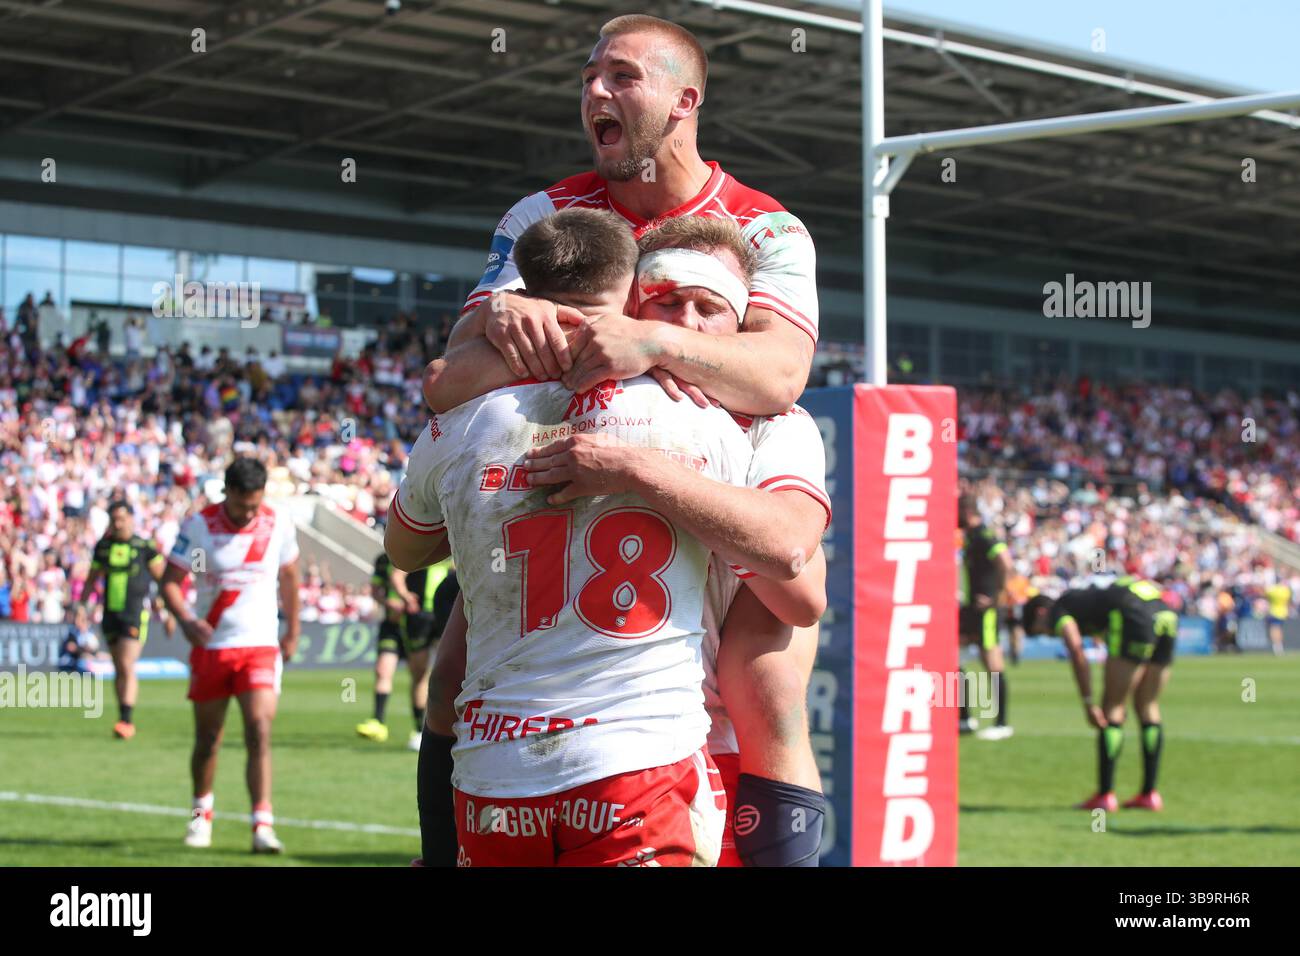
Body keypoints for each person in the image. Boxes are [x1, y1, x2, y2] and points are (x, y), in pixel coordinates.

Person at [389, 209, 821, 867]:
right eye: (668, 301)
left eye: (710, 308)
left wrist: (640, 470)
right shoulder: (577, 391)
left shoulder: (769, 424)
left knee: (774, 683)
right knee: (451, 664)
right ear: (632, 303)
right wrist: (502, 315)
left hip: (709, 747)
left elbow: (802, 589)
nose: (686, 323)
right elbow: (443, 382)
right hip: (614, 749)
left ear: (741, 324)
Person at [435, 13, 818, 419]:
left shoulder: (767, 227)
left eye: (622, 76)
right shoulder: (542, 214)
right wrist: (493, 312)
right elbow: (449, 369)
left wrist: (652, 342)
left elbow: (780, 377)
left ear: (683, 101)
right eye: (588, 79)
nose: (595, 90)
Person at [159, 458, 301, 853]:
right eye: (242, 505)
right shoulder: (199, 526)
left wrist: (292, 629)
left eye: (256, 504)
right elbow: (171, 581)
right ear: (227, 494)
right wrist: (186, 620)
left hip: (259, 645)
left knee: (259, 731)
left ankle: (262, 825)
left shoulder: (278, 524)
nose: (250, 513)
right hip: (213, 647)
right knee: (207, 739)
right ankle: (200, 814)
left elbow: (290, 577)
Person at [1024, 576, 1177, 812]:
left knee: (1112, 709)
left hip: (1132, 612)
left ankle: (1105, 795)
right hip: (1165, 613)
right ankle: (1149, 794)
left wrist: (1088, 702)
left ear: (1041, 612)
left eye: (1042, 631)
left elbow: (1076, 651)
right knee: (1148, 706)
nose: (1050, 635)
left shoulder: (1060, 608)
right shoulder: (1086, 600)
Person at [80, 500, 167, 739]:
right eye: (114, 519)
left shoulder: (144, 546)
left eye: (122, 518)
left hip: (135, 613)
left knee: (127, 664)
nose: (118, 523)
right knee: (119, 667)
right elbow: (91, 579)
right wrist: (81, 605)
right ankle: (123, 715)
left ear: (131, 518)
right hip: (110, 613)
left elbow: (163, 580)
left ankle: (126, 721)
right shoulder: (104, 546)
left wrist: (167, 610)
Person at [957, 495, 1014, 739]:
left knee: (992, 664)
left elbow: (1005, 562)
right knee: (954, 660)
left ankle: (1001, 723)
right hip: (971, 609)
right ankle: (965, 718)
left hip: (987, 610)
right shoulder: (970, 537)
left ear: (968, 513)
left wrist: (997, 597)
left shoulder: (984, 535)